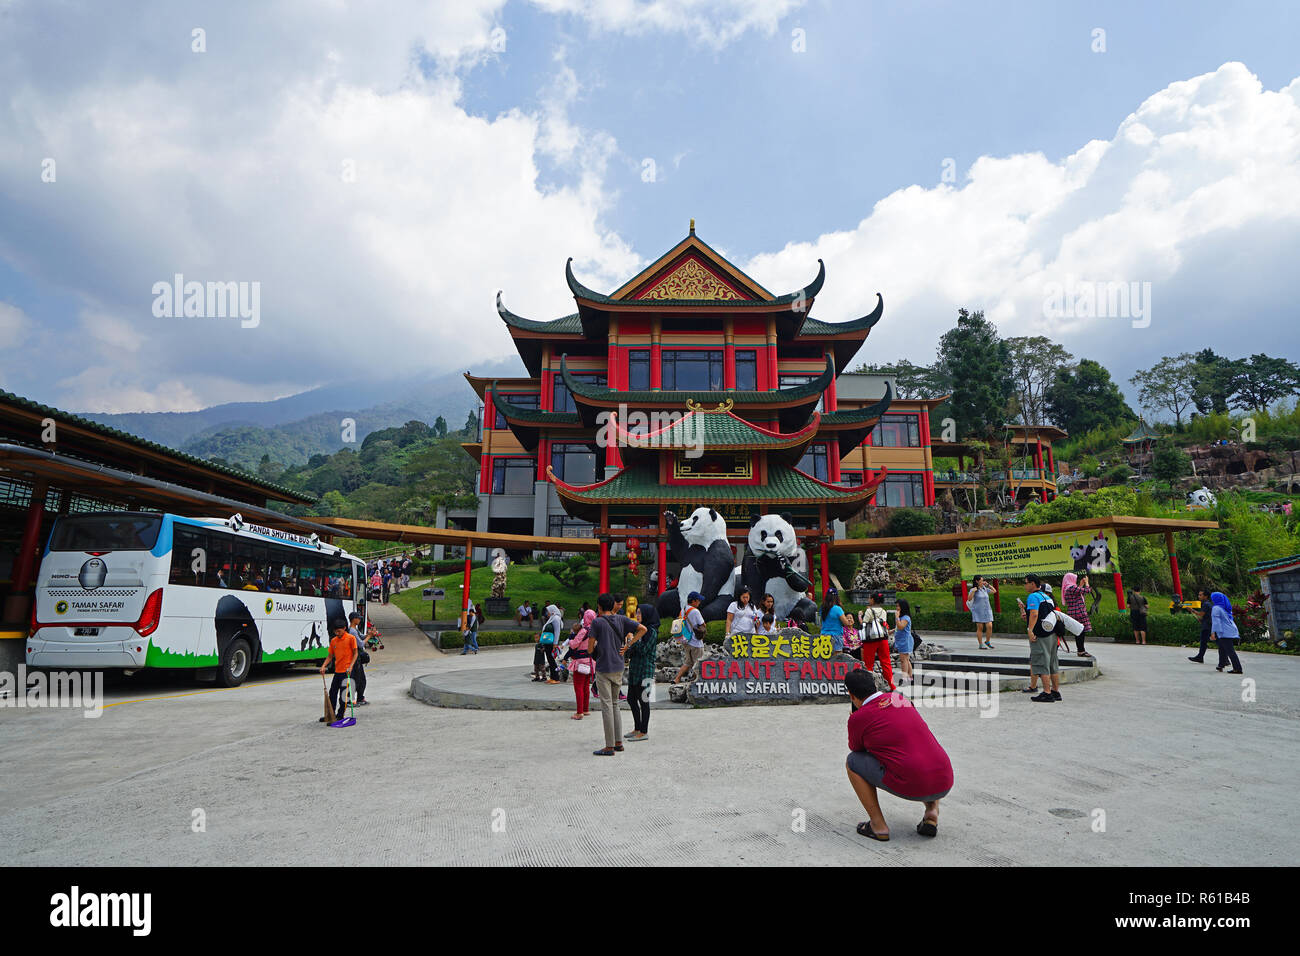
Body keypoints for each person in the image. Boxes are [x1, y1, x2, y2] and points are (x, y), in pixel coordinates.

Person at [844, 668, 953, 842]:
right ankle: (932, 811)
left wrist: (854, 720)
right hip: (944, 778)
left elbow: (856, 749)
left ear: (851, 695)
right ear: (874, 685)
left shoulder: (859, 718)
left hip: (913, 785)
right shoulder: (899, 698)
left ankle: (878, 825)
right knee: (921, 750)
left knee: (852, 762)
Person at [590, 593, 645, 756]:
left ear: (599, 607)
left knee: (606, 705)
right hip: (619, 667)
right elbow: (643, 629)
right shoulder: (622, 619)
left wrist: (598, 647)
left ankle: (609, 746)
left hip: (603, 668)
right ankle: (618, 742)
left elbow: (589, 648)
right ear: (613, 605)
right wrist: (628, 645)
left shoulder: (597, 622)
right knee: (615, 704)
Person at [625, 597, 660, 741]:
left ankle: (643, 732)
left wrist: (635, 639)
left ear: (646, 614)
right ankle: (637, 727)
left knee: (644, 701)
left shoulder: (651, 631)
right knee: (631, 699)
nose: (637, 615)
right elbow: (630, 651)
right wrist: (629, 641)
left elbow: (644, 650)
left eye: (639, 613)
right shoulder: (638, 630)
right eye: (637, 613)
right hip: (635, 669)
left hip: (646, 670)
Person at [1024, 574, 1061, 702]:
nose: (1025, 585)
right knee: (1052, 663)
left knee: (1041, 662)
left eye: (1026, 583)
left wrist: (1030, 630)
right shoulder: (1046, 596)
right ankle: (1056, 691)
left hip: (1040, 635)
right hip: (1052, 634)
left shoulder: (1032, 596)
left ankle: (1047, 692)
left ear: (1033, 584)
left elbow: (1034, 614)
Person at [319, 618, 356, 723]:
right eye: (335, 631)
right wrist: (323, 666)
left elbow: (355, 653)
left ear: (344, 628)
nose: (337, 633)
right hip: (338, 671)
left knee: (343, 695)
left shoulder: (351, 638)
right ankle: (331, 714)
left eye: (339, 631)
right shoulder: (334, 640)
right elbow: (330, 656)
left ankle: (340, 715)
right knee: (332, 693)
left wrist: (351, 666)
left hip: (347, 671)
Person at [858, 592, 894, 690]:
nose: (868, 600)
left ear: (873, 600)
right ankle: (891, 684)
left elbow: (863, 624)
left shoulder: (869, 611)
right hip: (883, 639)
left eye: (870, 598)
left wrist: (860, 616)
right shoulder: (883, 611)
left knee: (868, 663)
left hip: (871, 640)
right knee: (886, 662)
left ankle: (869, 686)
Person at [566, 609, 597, 719]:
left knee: (578, 687)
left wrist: (570, 640)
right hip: (590, 661)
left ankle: (579, 712)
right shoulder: (595, 630)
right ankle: (585, 709)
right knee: (585, 687)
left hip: (580, 662)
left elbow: (574, 645)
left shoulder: (584, 630)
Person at [672, 592, 708, 685]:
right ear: (693, 601)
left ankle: (677, 679)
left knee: (688, 662)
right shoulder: (695, 611)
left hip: (685, 640)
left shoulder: (683, 610)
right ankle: (697, 681)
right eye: (698, 600)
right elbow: (703, 624)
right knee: (698, 662)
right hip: (696, 642)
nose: (699, 602)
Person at [1061, 572, 1094, 658]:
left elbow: (1077, 594)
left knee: (1078, 632)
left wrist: (1080, 585)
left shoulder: (1067, 588)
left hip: (1073, 612)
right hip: (1078, 612)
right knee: (1081, 632)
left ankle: (1081, 650)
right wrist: (1087, 583)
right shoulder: (1071, 587)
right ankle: (1081, 651)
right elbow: (1087, 591)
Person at [1210, 591, 1244, 674]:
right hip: (1230, 629)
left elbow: (1216, 622)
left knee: (1230, 650)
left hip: (1225, 631)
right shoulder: (1224, 607)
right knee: (1222, 648)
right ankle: (1221, 665)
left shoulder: (1216, 608)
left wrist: (1213, 632)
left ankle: (1237, 668)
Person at [819, 588, 852, 654]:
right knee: (837, 659)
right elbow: (846, 623)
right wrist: (849, 621)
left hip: (824, 636)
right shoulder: (838, 609)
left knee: (825, 659)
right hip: (836, 637)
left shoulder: (822, 608)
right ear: (836, 597)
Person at [967, 576, 996, 649]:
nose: (983, 582)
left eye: (983, 580)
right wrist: (973, 591)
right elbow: (969, 599)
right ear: (977, 581)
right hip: (978, 611)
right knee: (980, 627)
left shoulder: (984, 589)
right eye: (981, 580)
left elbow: (994, 591)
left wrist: (988, 585)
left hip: (987, 610)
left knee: (989, 626)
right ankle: (980, 644)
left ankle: (987, 641)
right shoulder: (974, 589)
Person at [535, 603, 562, 682]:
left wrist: (555, 643)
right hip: (548, 643)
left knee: (552, 660)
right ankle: (552, 677)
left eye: (548, 611)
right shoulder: (552, 618)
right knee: (550, 660)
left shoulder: (556, 618)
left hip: (552, 643)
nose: (547, 613)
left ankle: (556, 678)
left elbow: (557, 631)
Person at [348, 612, 369, 705]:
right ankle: (350, 700)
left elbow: (361, 637)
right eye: (358, 618)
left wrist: (369, 634)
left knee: (361, 679)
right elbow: (360, 643)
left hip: (357, 659)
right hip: (354, 659)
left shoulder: (355, 630)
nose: (360, 620)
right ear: (354, 619)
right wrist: (369, 637)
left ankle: (360, 698)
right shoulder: (352, 631)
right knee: (355, 679)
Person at [1189, 587, 1214, 663]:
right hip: (1207, 624)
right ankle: (1200, 657)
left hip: (1207, 626)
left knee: (1206, 642)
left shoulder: (1206, 604)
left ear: (1205, 596)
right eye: (1199, 595)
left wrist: (1191, 610)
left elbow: (1201, 614)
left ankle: (1225, 659)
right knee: (1204, 642)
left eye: (1200, 595)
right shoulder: (1206, 604)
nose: (1199, 596)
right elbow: (1204, 616)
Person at [893, 598, 915, 685]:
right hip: (901, 640)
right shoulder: (902, 617)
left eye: (898, 606)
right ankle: (910, 677)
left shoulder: (905, 617)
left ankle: (904, 678)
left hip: (905, 641)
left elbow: (901, 626)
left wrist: (897, 617)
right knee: (906, 659)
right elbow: (898, 628)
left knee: (903, 660)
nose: (897, 608)